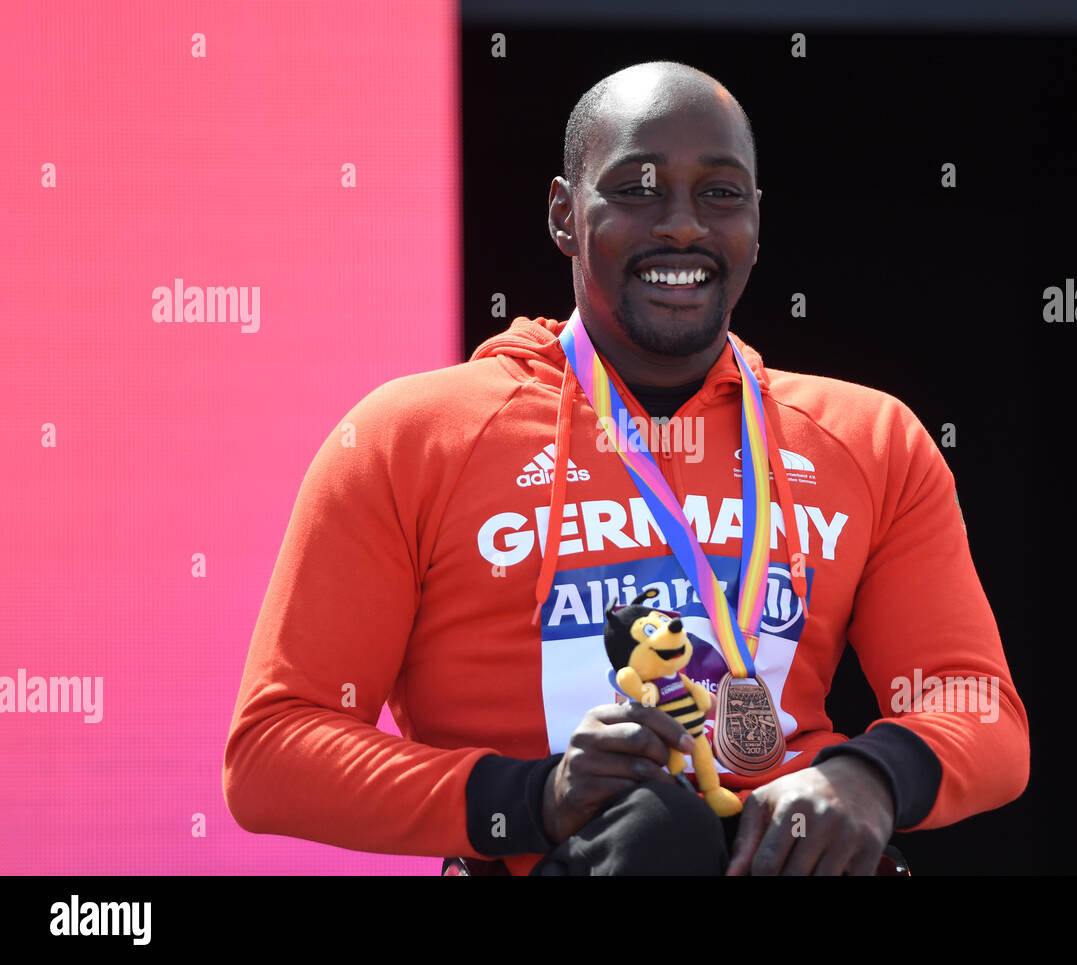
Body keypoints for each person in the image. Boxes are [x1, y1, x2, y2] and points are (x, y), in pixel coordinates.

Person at [222, 60, 1030, 875]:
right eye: (637, 190)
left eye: (720, 193)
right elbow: (271, 750)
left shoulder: (870, 437)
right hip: (562, 857)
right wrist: (531, 799)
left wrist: (869, 777)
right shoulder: (413, 435)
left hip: (771, 856)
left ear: (756, 221)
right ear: (564, 215)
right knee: (654, 833)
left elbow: (980, 711)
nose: (683, 227)